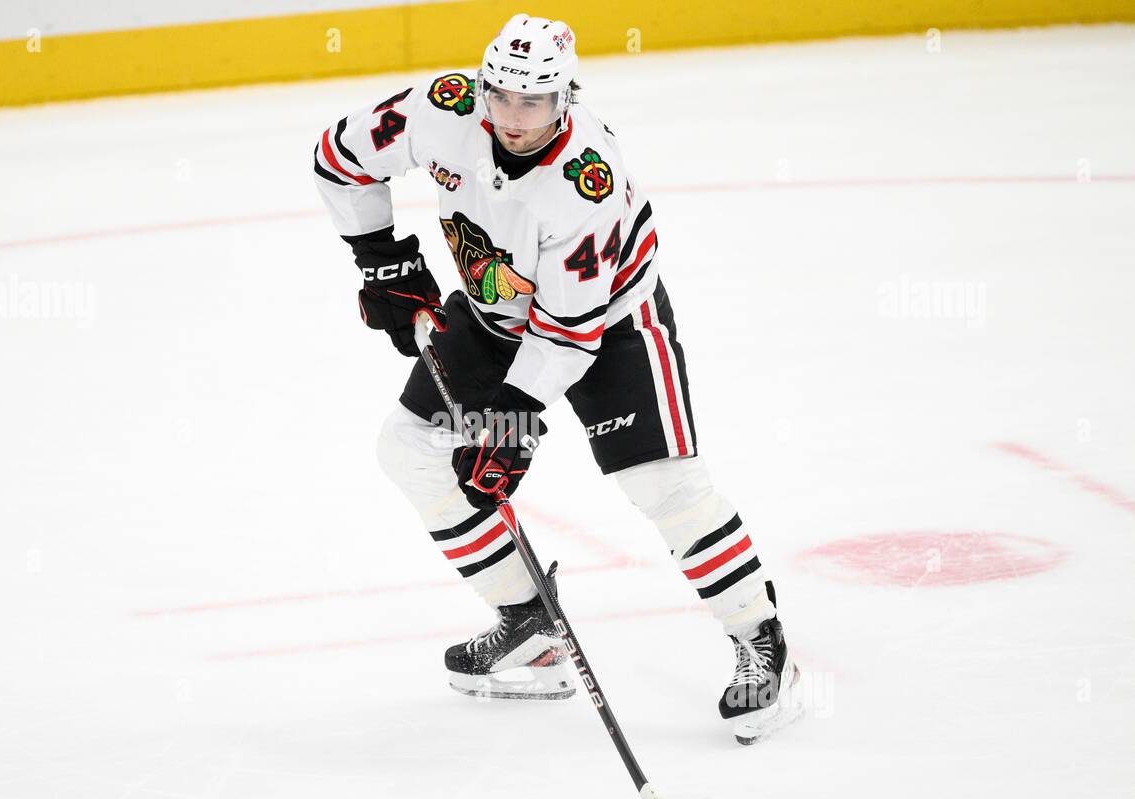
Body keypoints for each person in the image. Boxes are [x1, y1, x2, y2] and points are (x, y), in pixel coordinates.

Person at [313, 14, 803, 743]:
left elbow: (570, 334)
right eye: (501, 96)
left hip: (609, 325)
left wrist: (512, 419)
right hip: (493, 310)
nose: (513, 118)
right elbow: (339, 157)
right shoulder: (445, 107)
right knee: (410, 448)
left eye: (533, 102)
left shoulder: (585, 185)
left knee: (663, 485)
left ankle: (762, 639)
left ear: (565, 98)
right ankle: (529, 623)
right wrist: (382, 258)